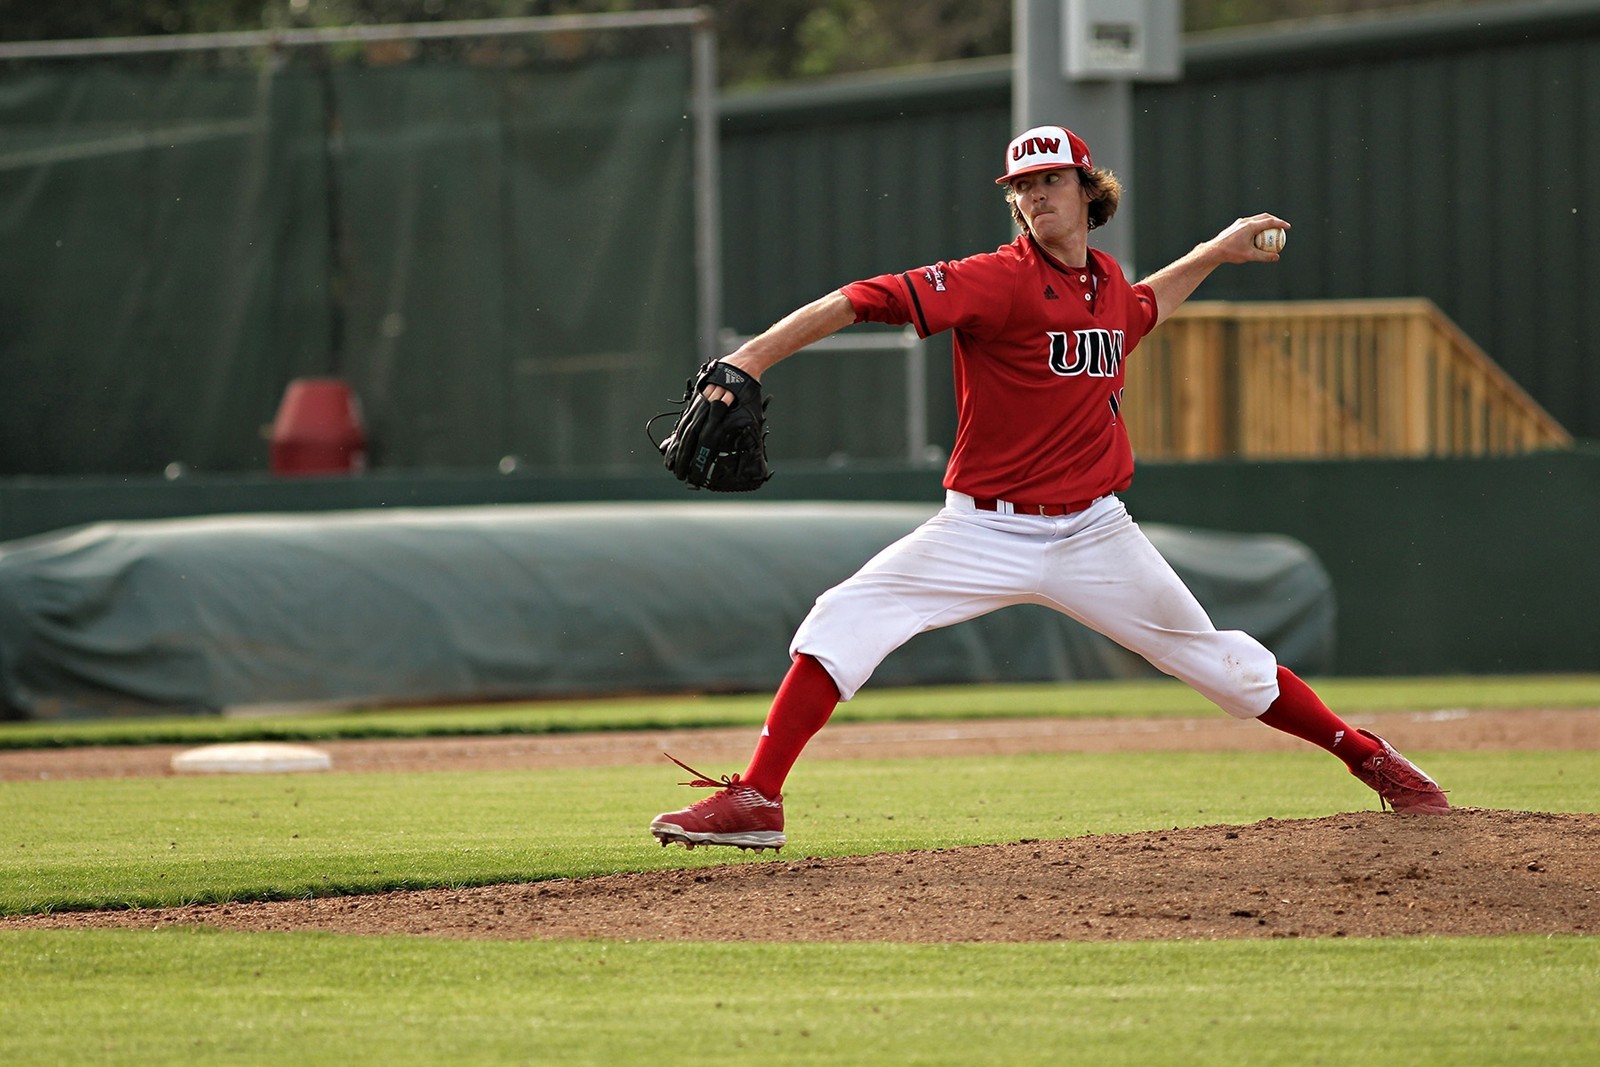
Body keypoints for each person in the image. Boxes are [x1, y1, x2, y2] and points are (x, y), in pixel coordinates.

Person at [650, 124, 1449, 852]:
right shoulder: (995, 280)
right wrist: (751, 358)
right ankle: (758, 796)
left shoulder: (1105, 280)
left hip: (1097, 533)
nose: (1035, 196)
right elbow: (866, 297)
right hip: (983, 529)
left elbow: (1142, 310)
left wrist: (1214, 250)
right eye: (1022, 187)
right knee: (845, 615)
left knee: (1218, 663)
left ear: (1086, 190)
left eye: (1051, 181)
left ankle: (1369, 756)